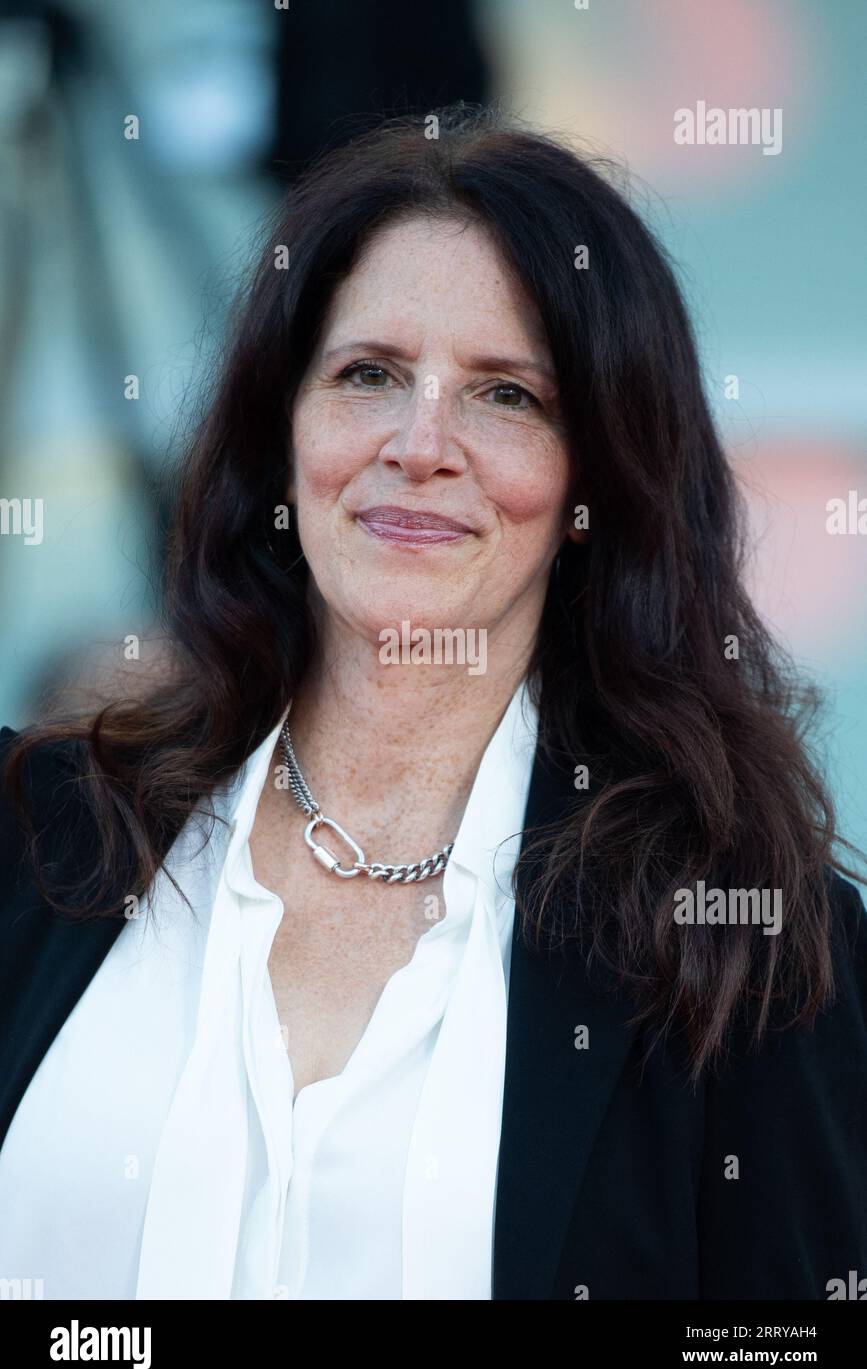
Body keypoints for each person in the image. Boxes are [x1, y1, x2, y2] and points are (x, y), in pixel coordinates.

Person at [0, 104, 865, 1302]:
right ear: (282, 428)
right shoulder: (30, 830)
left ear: (596, 477)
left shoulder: (742, 944)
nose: (421, 443)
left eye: (507, 395)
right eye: (370, 374)